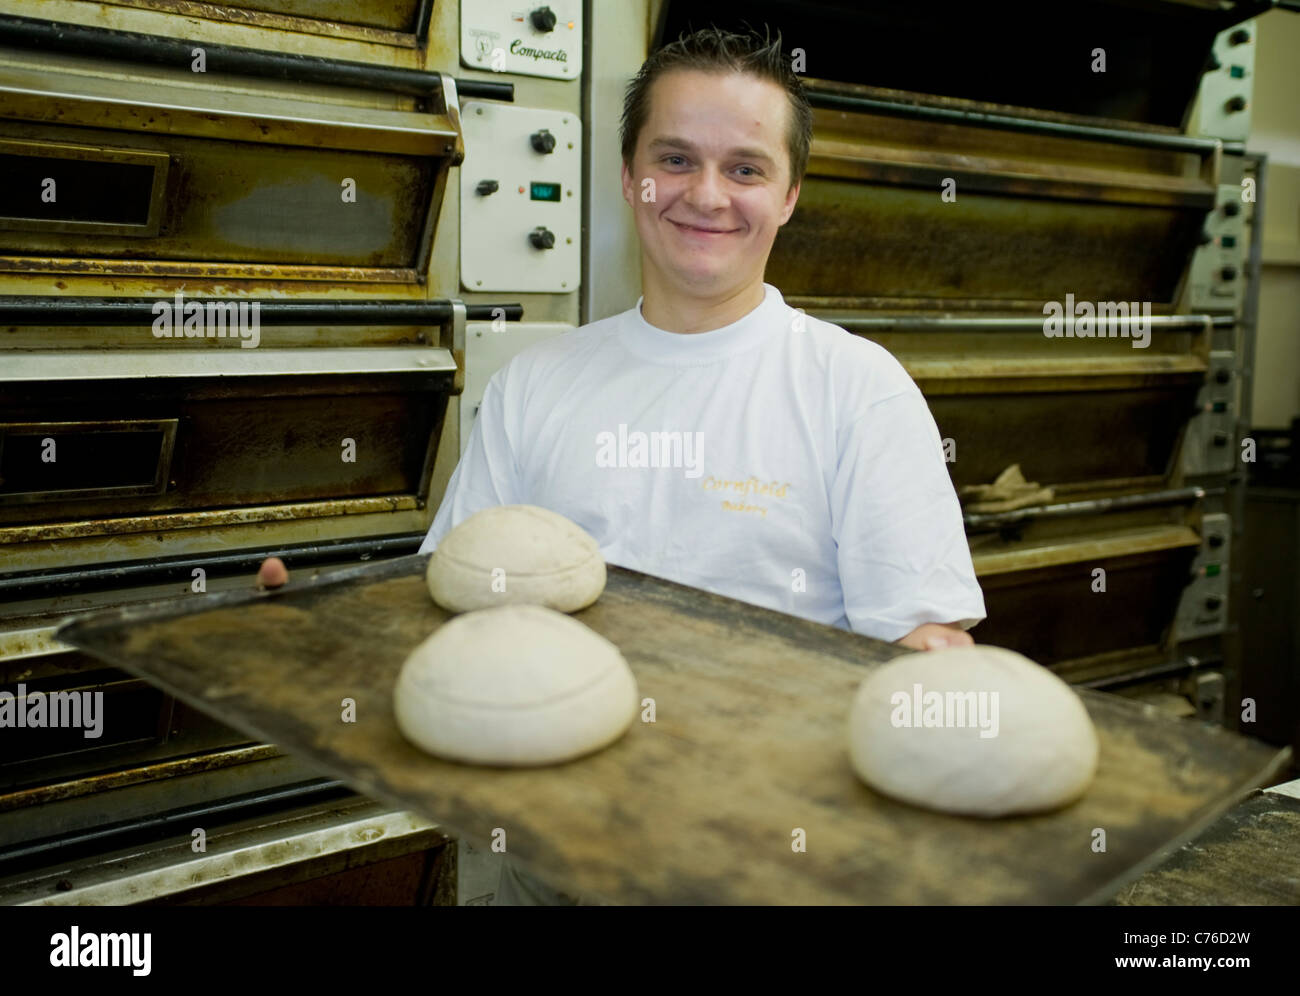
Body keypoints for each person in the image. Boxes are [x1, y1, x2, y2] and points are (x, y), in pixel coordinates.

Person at [257, 26, 987, 903]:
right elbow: (454, 614)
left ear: (790, 194)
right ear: (628, 175)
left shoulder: (855, 388)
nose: (706, 195)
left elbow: (923, 647)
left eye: (746, 168)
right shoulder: (538, 386)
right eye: (674, 158)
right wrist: (327, 630)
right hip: (552, 874)